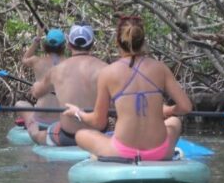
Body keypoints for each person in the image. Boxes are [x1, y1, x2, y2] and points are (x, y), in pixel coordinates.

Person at [65, 15, 192, 161]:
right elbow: (186, 107)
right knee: (175, 122)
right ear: (143, 42)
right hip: (159, 152)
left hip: (123, 152)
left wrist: (78, 113)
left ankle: (108, 154)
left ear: (117, 42)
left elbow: (98, 122)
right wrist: (168, 110)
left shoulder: (108, 73)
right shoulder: (161, 68)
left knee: (81, 135)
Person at [26, 23, 107, 146]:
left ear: (69, 45)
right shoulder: (106, 69)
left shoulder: (56, 70)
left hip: (67, 137)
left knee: (35, 135)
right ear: (92, 44)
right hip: (99, 133)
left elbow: (37, 93)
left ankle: (33, 128)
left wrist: (35, 86)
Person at [12, 28, 66, 128]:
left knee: (19, 104)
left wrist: (37, 39)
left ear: (45, 46)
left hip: (41, 119)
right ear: (64, 46)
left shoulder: (36, 61)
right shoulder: (71, 63)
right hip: (62, 119)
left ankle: (29, 122)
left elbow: (24, 59)